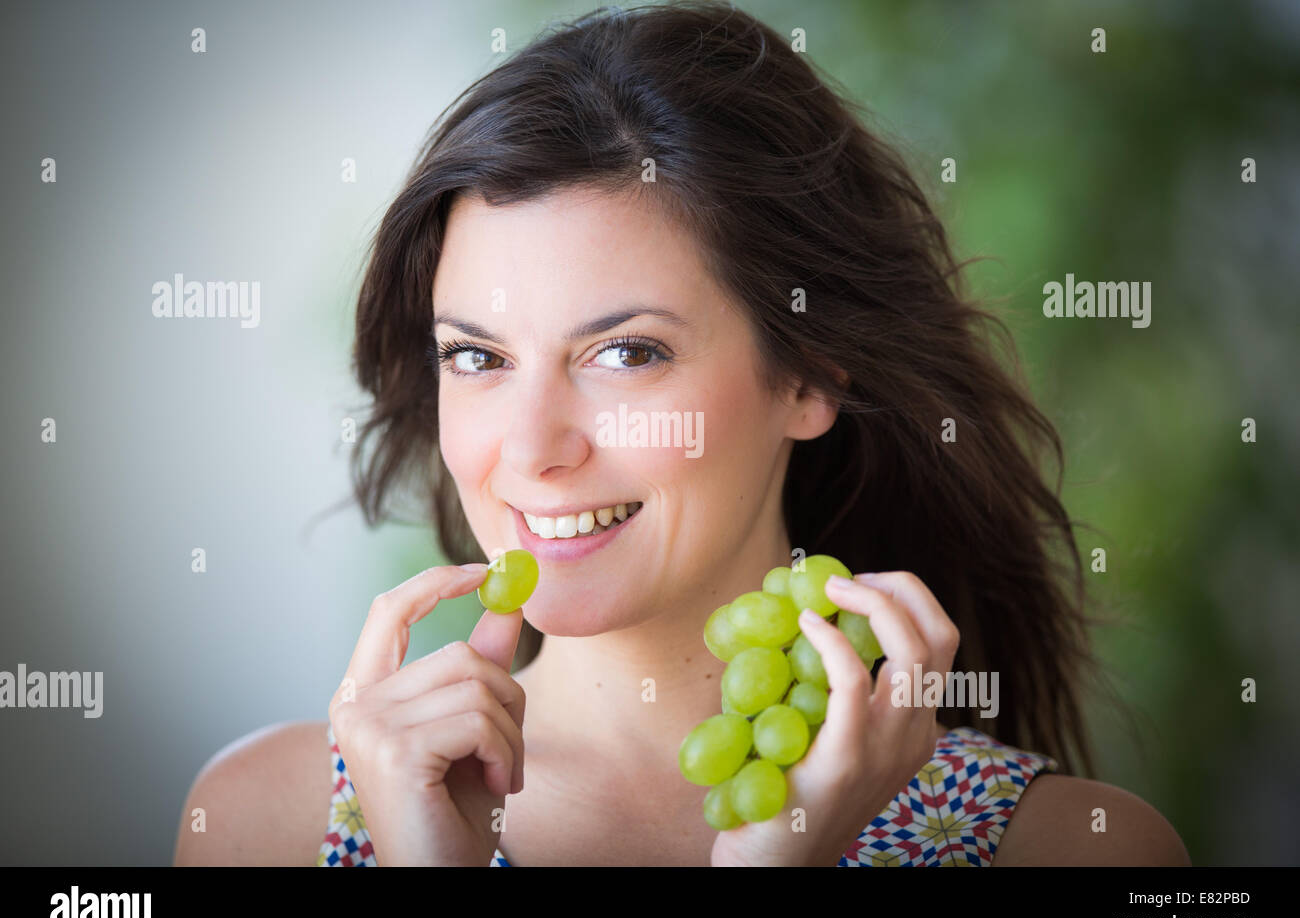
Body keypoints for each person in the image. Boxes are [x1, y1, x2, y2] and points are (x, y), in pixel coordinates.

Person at [174, 1, 1189, 867]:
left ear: (809, 375)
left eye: (624, 353)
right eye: (477, 356)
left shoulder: (1076, 849)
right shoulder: (263, 822)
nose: (530, 448)